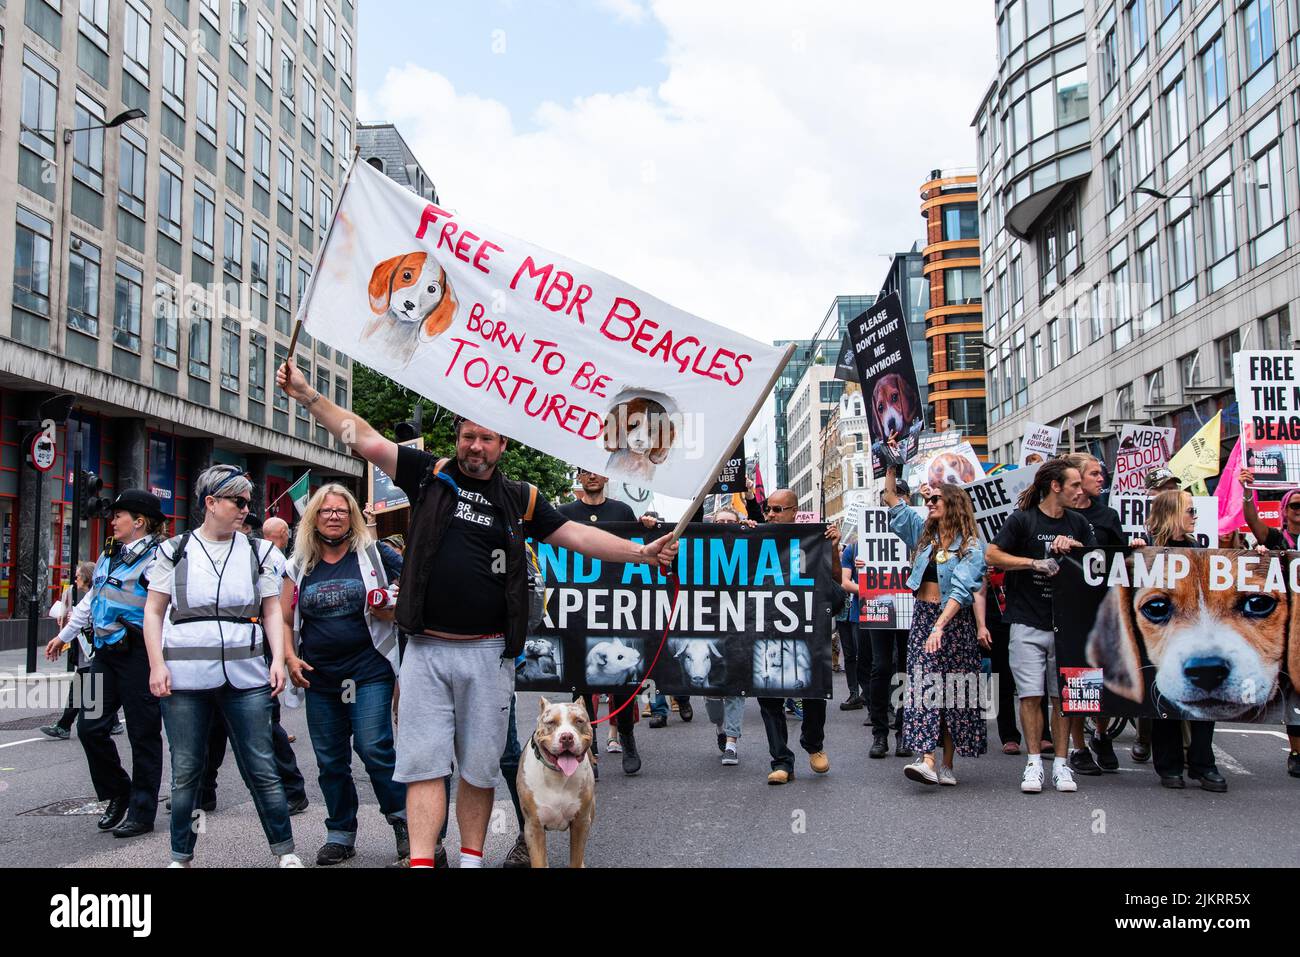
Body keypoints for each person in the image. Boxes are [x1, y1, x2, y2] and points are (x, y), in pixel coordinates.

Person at [276, 360, 678, 868]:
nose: (476, 447)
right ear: (458, 438)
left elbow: (578, 537)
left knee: (479, 770)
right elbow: (366, 439)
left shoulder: (521, 497)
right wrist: (309, 395)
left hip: (489, 655)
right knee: (422, 767)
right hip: (424, 650)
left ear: (502, 445)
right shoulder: (429, 475)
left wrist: (643, 552)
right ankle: (423, 860)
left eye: (487, 439)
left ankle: (470, 860)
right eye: (468, 436)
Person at [144, 464, 302, 867]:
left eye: (249, 502)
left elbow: (272, 611)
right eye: (238, 501)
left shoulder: (260, 550)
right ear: (210, 503)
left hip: (246, 676)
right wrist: (156, 664)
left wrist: (280, 659)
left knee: (262, 767)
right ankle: (180, 856)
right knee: (186, 772)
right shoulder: (173, 549)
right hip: (184, 678)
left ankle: (285, 854)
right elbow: (154, 611)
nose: (245, 510)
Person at [283, 484, 410, 864]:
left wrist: (396, 598)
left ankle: (404, 823)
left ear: (351, 516)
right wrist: (289, 657)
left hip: (369, 671)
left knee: (374, 749)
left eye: (341, 510)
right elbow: (281, 616)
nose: (334, 516)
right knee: (330, 759)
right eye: (326, 511)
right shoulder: (299, 563)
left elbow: (416, 580)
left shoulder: (373, 553)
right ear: (314, 518)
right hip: (319, 677)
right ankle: (340, 833)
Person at [46, 492, 167, 837]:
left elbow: (167, 609)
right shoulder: (108, 554)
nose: (112, 521)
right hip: (103, 654)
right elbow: (90, 602)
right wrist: (65, 635)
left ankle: (142, 812)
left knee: (143, 733)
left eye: (119, 515)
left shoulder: (159, 557)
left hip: (139, 655)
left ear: (140, 521)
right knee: (88, 727)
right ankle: (118, 792)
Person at [984, 460, 1096, 794]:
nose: (1081, 491)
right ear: (1055, 486)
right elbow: (991, 554)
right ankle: (1034, 763)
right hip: (1027, 621)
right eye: (1074, 485)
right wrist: (1032, 562)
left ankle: (1062, 765)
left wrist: (1077, 550)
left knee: (1062, 697)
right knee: (1030, 696)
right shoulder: (1022, 520)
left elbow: (1097, 565)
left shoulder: (1079, 523)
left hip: (1068, 624)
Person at [884, 471, 988, 785]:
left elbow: (960, 590)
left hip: (953, 623)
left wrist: (940, 626)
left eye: (935, 499)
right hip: (922, 617)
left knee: (953, 694)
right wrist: (891, 467)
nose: (928, 503)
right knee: (922, 686)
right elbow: (894, 503)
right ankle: (927, 758)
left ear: (953, 503)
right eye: (927, 499)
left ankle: (946, 764)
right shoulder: (924, 536)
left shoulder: (971, 546)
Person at [556, 467, 644, 776]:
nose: (591, 476)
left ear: (606, 477)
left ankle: (628, 739)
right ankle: (587, 750)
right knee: (580, 683)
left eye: (596, 472)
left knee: (621, 682)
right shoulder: (564, 512)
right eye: (584, 472)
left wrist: (646, 528)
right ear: (578, 478)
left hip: (615, 606)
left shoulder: (622, 511)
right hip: (577, 609)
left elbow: (639, 545)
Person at [1140, 489, 1227, 792]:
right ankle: (1170, 765)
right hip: (1163, 639)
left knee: (1207, 702)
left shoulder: (1200, 550)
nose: (1195, 517)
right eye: (1190, 511)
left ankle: (1204, 764)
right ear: (1171, 514)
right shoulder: (1146, 549)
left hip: (1200, 636)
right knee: (1164, 702)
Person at [755, 488, 840, 785]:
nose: (771, 515)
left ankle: (813, 743)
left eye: (778, 510)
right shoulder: (756, 539)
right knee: (769, 698)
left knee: (814, 691)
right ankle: (781, 761)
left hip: (806, 632)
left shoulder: (812, 540)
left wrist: (833, 548)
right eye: (769, 509)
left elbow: (836, 585)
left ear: (794, 511)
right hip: (766, 631)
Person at [1062, 452, 1127, 776]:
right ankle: (1078, 746)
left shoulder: (1108, 516)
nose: (1101, 479)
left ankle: (1101, 735)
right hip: (1070, 609)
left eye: (1102, 475)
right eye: (1094, 475)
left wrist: (1137, 548)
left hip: (1103, 609)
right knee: (1075, 678)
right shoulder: (1061, 517)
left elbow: (1122, 559)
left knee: (1104, 677)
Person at [1237, 467, 1300, 778]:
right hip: (1286, 626)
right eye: (1295, 506)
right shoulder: (1275, 539)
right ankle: (1296, 751)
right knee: (1294, 689)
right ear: (1285, 511)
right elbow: (1252, 521)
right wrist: (1248, 491)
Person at [41, 562, 111, 740]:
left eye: (78, 576)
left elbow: (97, 619)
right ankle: (112, 722)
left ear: (86, 577)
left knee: (82, 688)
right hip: (86, 653)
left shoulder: (97, 594)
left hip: (92, 652)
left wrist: (75, 620)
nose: (75, 579)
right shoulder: (89, 597)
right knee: (91, 687)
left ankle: (64, 726)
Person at [706, 507, 745, 765]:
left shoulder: (747, 547)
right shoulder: (703, 549)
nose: (724, 525)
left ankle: (731, 740)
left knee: (735, 686)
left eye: (730, 522)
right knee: (712, 691)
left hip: (739, 626)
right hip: (707, 626)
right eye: (720, 521)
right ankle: (720, 726)